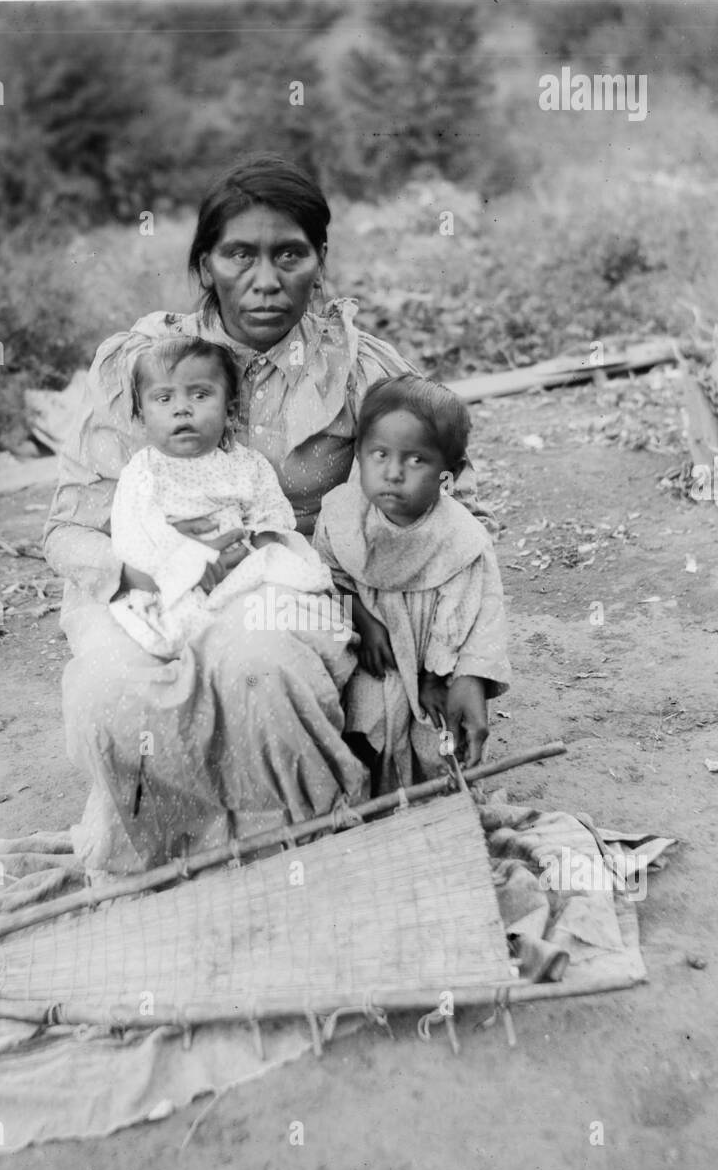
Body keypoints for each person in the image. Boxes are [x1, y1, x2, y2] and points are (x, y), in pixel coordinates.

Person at [44, 152, 488, 878]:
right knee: (106, 688)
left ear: (319, 259)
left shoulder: (358, 370)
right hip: (146, 586)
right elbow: (65, 530)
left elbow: (435, 519)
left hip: (306, 584)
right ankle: (166, 865)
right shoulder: (147, 368)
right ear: (204, 263)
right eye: (237, 254)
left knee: (258, 659)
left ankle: (303, 854)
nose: (263, 279)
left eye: (289, 254)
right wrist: (147, 574)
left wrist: (463, 663)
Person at [314, 374, 511, 795]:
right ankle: (359, 801)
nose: (393, 473)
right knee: (362, 724)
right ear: (359, 454)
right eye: (379, 454)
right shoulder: (342, 517)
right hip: (367, 653)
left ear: (449, 473)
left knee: (436, 745)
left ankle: (428, 804)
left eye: (416, 460)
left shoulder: (460, 539)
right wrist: (362, 621)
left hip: (433, 663)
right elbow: (328, 580)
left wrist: (440, 676)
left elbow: (474, 614)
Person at [108, 336, 332, 658]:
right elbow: (134, 532)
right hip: (178, 575)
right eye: (163, 398)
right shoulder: (143, 471)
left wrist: (264, 556)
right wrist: (182, 564)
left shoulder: (246, 463)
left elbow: (269, 515)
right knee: (187, 632)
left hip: (245, 565)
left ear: (229, 412)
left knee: (295, 608)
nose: (182, 408)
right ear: (142, 416)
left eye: (200, 395)